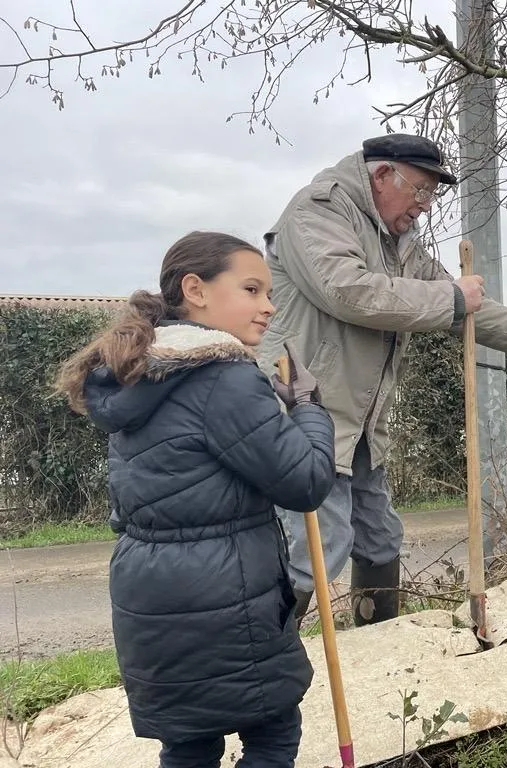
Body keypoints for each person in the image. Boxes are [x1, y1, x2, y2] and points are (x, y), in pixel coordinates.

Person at [257, 133, 507, 625]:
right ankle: (261, 652)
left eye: (432, 195)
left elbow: (456, 304)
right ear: (382, 175)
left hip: (359, 422)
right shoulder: (316, 214)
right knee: (320, 544)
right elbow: (351, 293)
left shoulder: (398, 241)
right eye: (421, 191)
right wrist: (451, 300)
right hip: (306, 413)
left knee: (380, 536)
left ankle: (378, 645)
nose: (425, 207)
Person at [55, 231, 337, 768]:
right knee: (274, 731)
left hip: (149, 594)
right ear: (196, 290)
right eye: (252, 289)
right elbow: (305, 482)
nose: (269, 306)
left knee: (188, 742)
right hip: (222, 594)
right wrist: (307, 408)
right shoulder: (223, 380)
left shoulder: (139, 374)